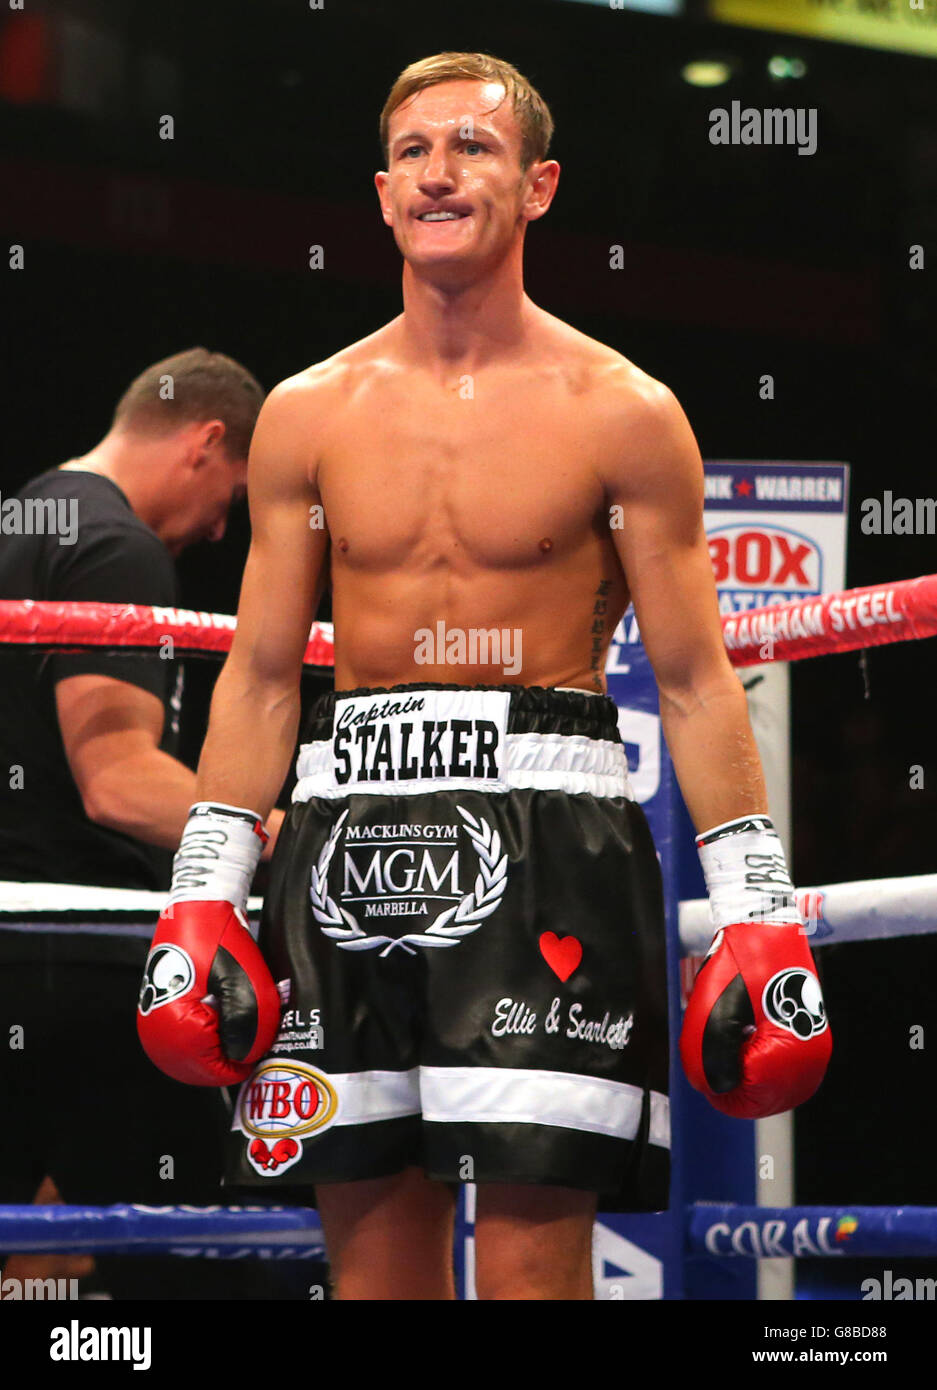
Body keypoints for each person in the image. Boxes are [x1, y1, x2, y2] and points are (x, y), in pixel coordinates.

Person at [138, 55, 831, 1301]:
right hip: (347, 839)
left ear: (539, 184)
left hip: (548, 842)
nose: (439, 172)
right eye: (413, 151)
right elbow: (255, 674)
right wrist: (204, 891)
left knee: (528, 1268)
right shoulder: (305, 412)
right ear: (382, 189)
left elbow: (692, 677)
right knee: (375, 1270)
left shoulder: (623, 410)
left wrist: (760, 912)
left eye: (472, 146)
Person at [0, 347, 285, 1298]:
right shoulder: (116, 544)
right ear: (206, 442)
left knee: (42, 1240)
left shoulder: (27, 514)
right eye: (232, 497)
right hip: (77, 962)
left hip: (22, 940)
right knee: (125, 1247)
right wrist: (282, 834)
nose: (217, 530)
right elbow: (118, 782)